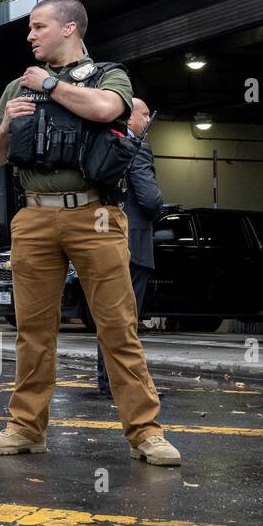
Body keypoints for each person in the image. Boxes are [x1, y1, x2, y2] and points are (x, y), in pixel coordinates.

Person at [0, 0, 178, 466]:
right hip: (32, 216)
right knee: (33, 330)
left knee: (117, 326)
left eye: (38, 26)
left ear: (69, 29)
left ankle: (146, 433)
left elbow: (107, 108)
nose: (30, 35)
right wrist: (9, 121)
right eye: (30, 28)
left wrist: (50, 85)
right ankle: (26, 428)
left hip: (94, 214)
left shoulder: (110, 74)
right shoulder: (16, 88)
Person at [98, 98, 162, 395]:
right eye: (145, 114)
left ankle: (107, 380)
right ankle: (126, 385)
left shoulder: (109, 142)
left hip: (108, 238)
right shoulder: (137, 147)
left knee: (110, 316)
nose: (148, 120)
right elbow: (149, 199)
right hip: (134, 240)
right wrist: (159, 208)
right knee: (128, 319)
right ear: (131, 118)